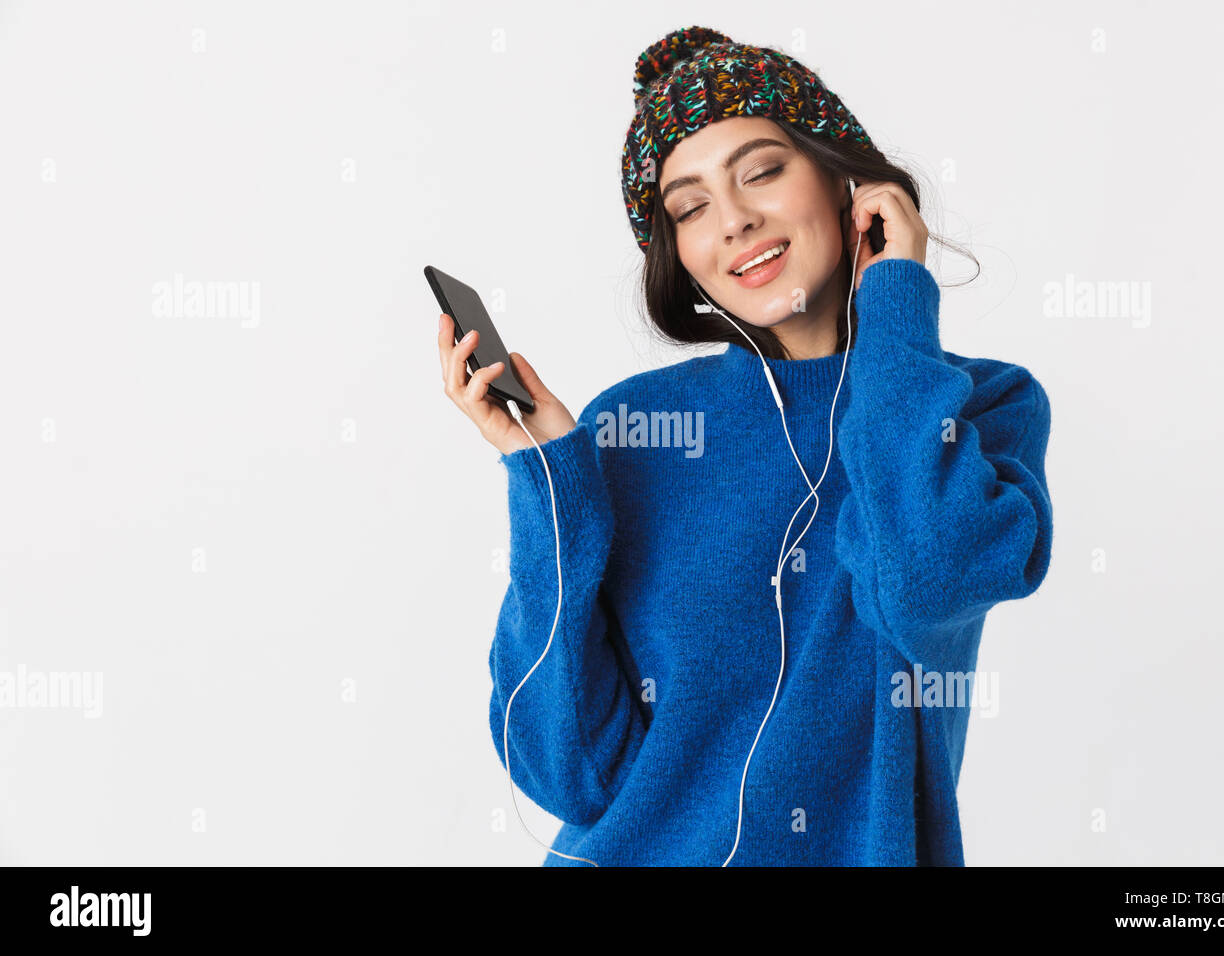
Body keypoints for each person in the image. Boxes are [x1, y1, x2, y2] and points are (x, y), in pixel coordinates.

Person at [437, 25, 1053, 866]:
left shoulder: (984, 405)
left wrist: (897, 304)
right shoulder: (631, 432)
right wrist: (551, 484)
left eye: (762, 171)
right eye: (690, 207)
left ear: (848, 181)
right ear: (679, 255)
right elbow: (568, 774)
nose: (733, 221)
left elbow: (925, 583)